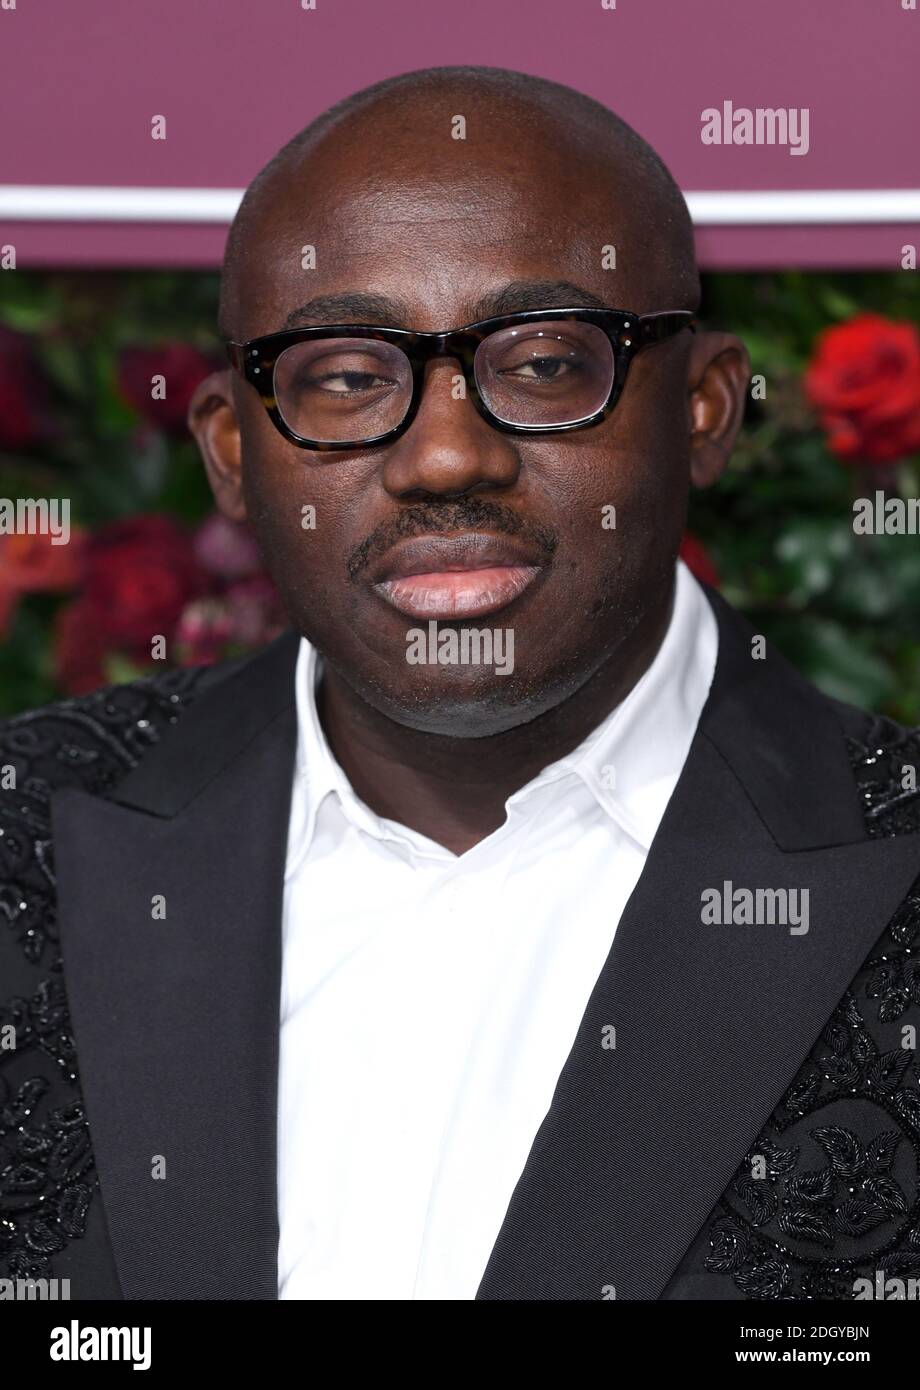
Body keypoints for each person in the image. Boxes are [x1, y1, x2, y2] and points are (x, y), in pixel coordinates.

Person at [2, 65, 918, 1303]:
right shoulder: (25, 827)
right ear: (231, 451)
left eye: (544, 364)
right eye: (343, 376)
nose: (444, 455)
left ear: (703, 411)